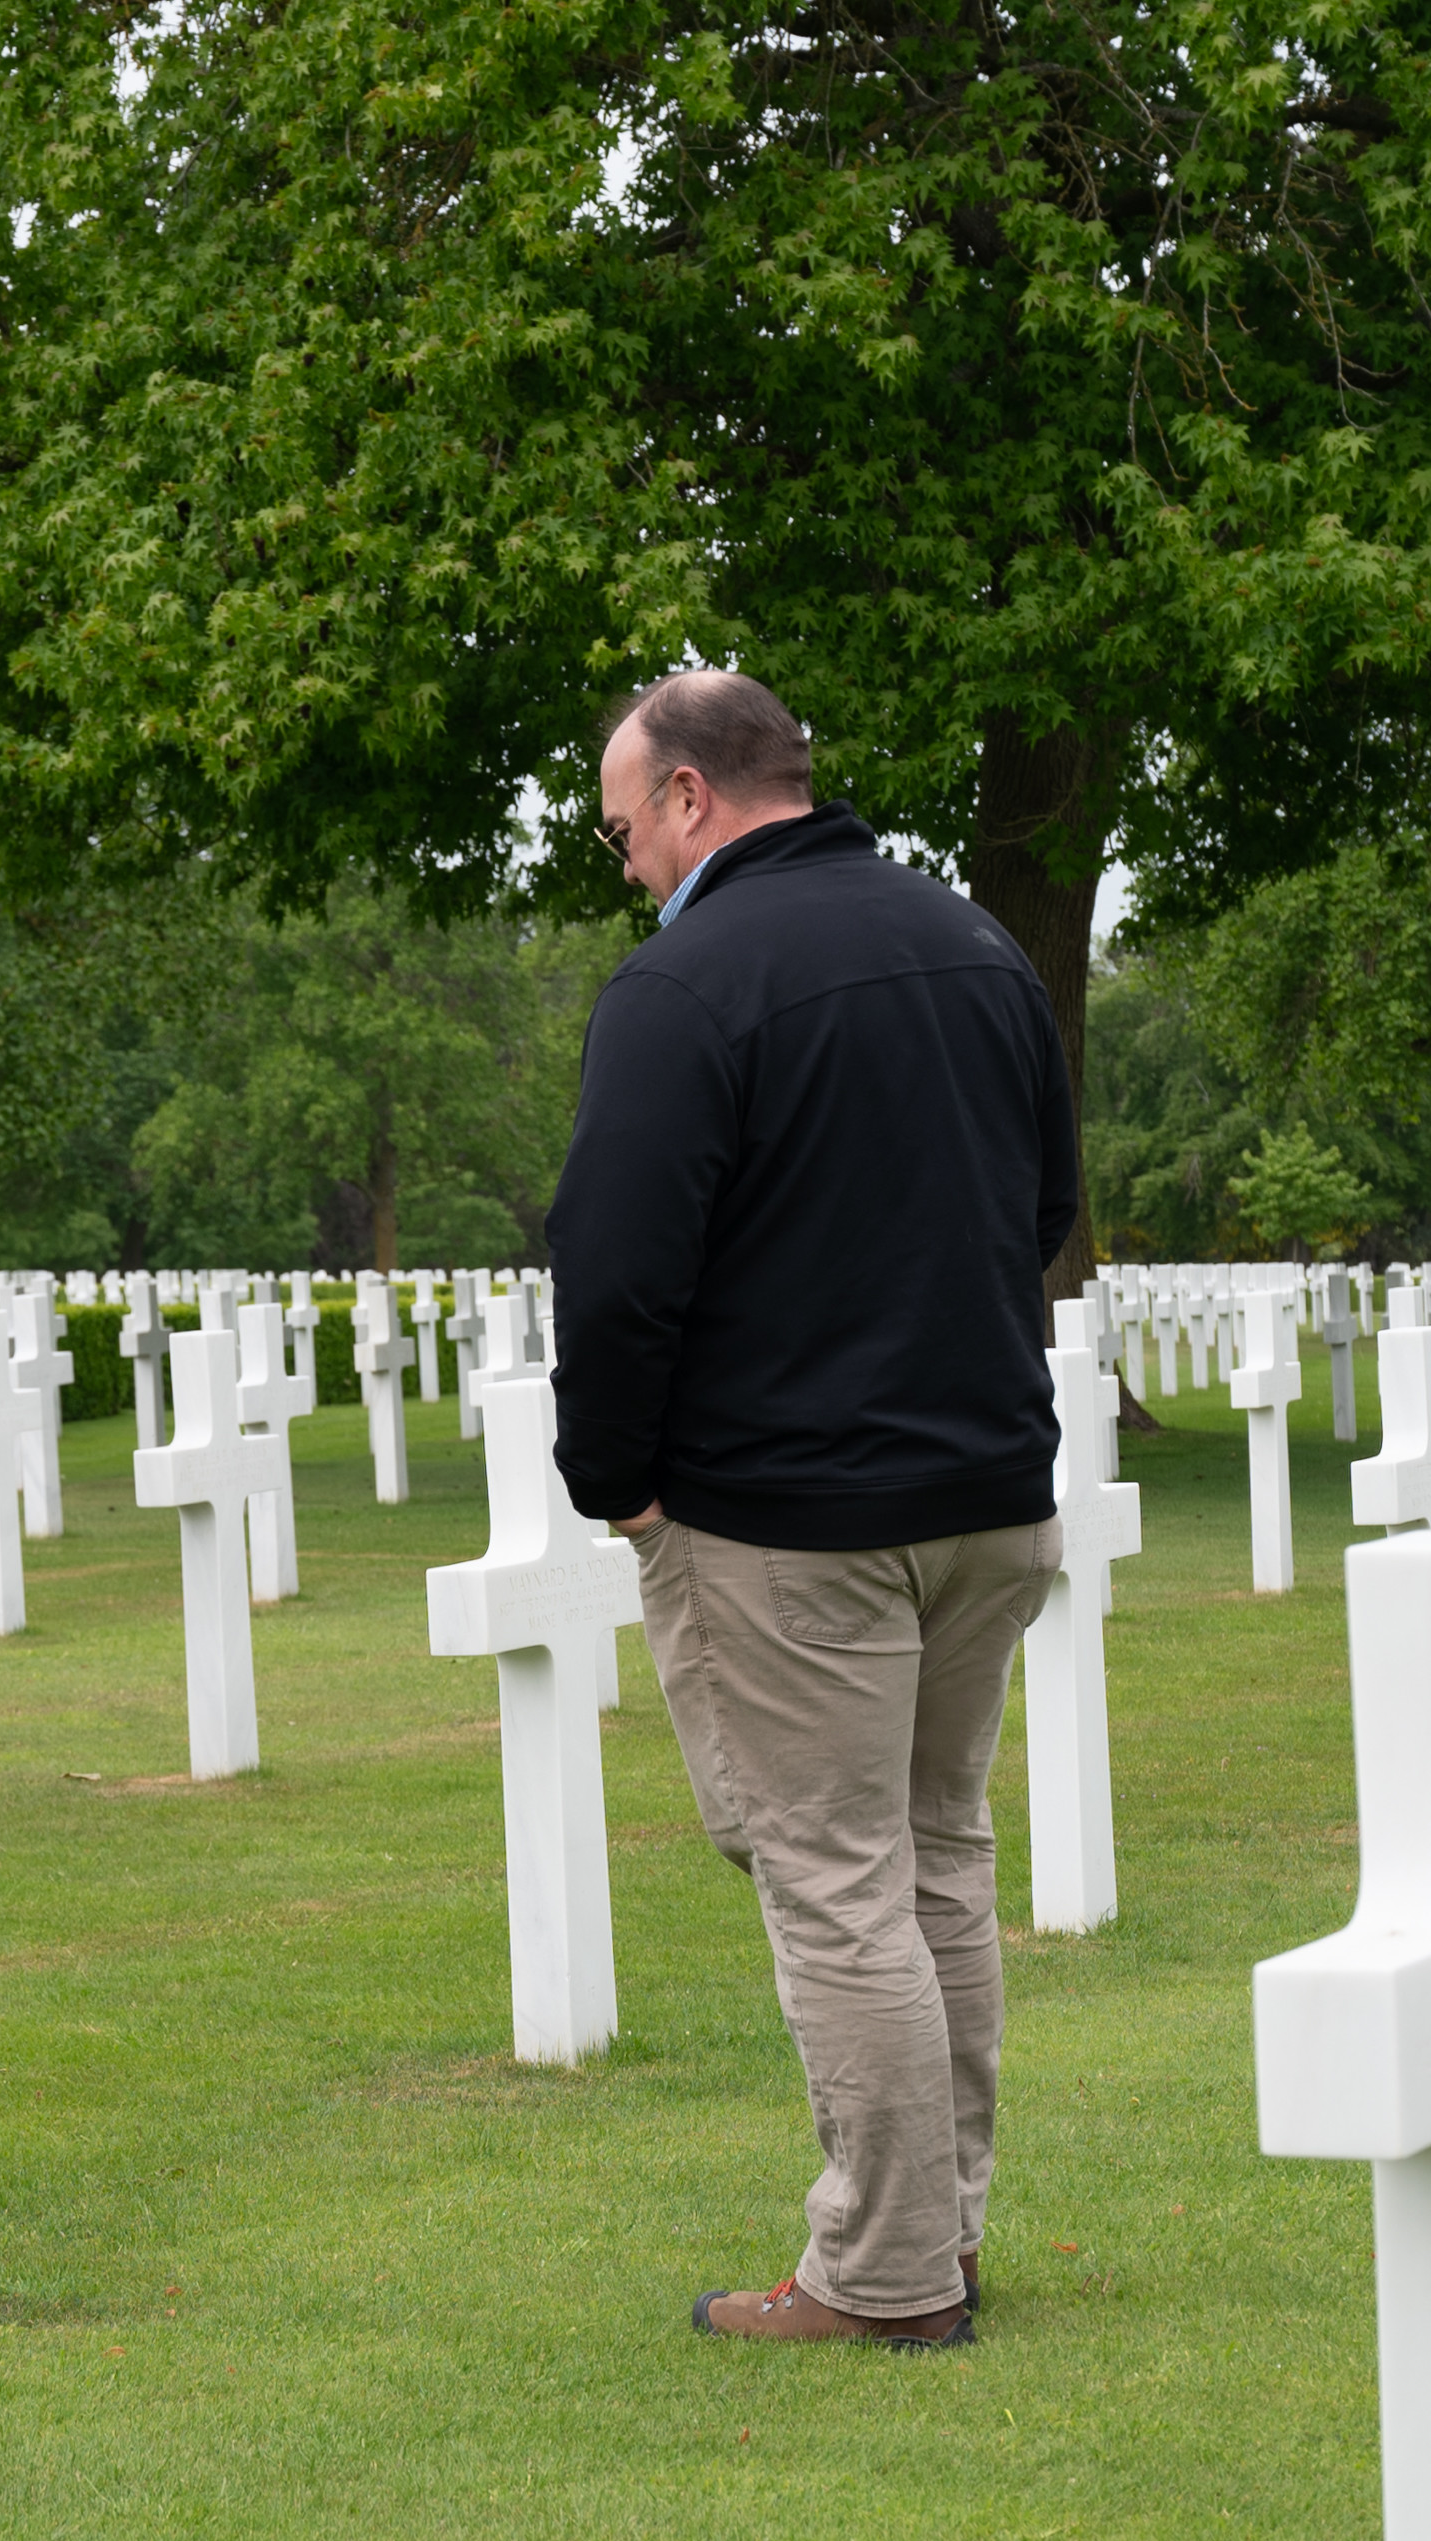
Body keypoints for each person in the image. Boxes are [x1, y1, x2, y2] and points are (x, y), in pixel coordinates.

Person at [546, 669, 1078, 2352]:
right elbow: (1049, 1205)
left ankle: (886, 2274)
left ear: (693, 797)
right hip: (987, 1486)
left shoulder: (683, 985)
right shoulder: (978, 950)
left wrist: (609, 1477)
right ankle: (943, 2230)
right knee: (932, 1861)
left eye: (626, 827)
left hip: (795, 1513)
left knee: (836, 1875)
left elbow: (616, 1269)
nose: (624, 862)